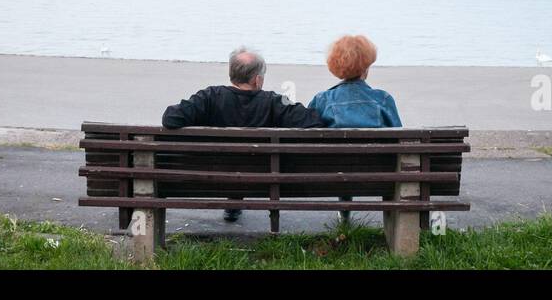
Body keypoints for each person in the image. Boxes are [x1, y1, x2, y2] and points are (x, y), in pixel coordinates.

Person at [162, 46, 325, 221]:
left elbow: (171, 118)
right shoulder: (274, 102)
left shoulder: (209, 97)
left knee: (230, 161)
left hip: (214, 178)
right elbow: (314, 122)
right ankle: (236, 200)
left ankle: (233, 200)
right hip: (261, 178)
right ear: (258, 80)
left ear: (232, 74)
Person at [307, 35, 401, 127]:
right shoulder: (383, 99)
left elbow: (309, 136)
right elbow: (399, 136)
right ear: (366, 67)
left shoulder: (321, 100)